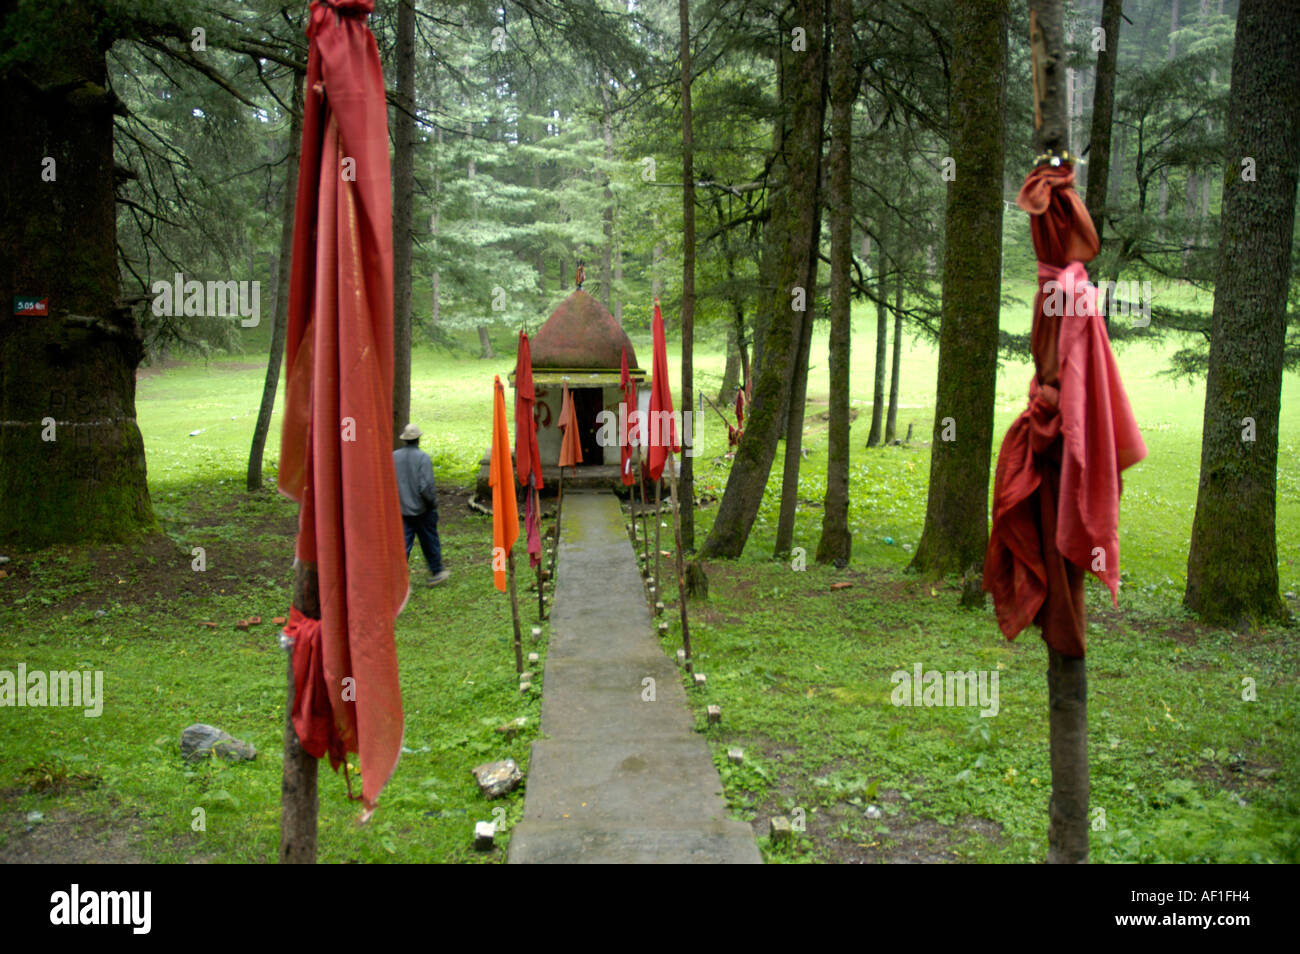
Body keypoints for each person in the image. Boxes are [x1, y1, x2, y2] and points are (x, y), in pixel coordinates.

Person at [393, 423, 449, 586]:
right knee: (429, 541)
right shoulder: (423, 458)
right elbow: (425, 487)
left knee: (403, 543)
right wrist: (432, 503)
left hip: (402, 508)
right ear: (418, 439)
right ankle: (437, 571)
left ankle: (397, 577)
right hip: (422, 509)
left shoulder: (394, 457)